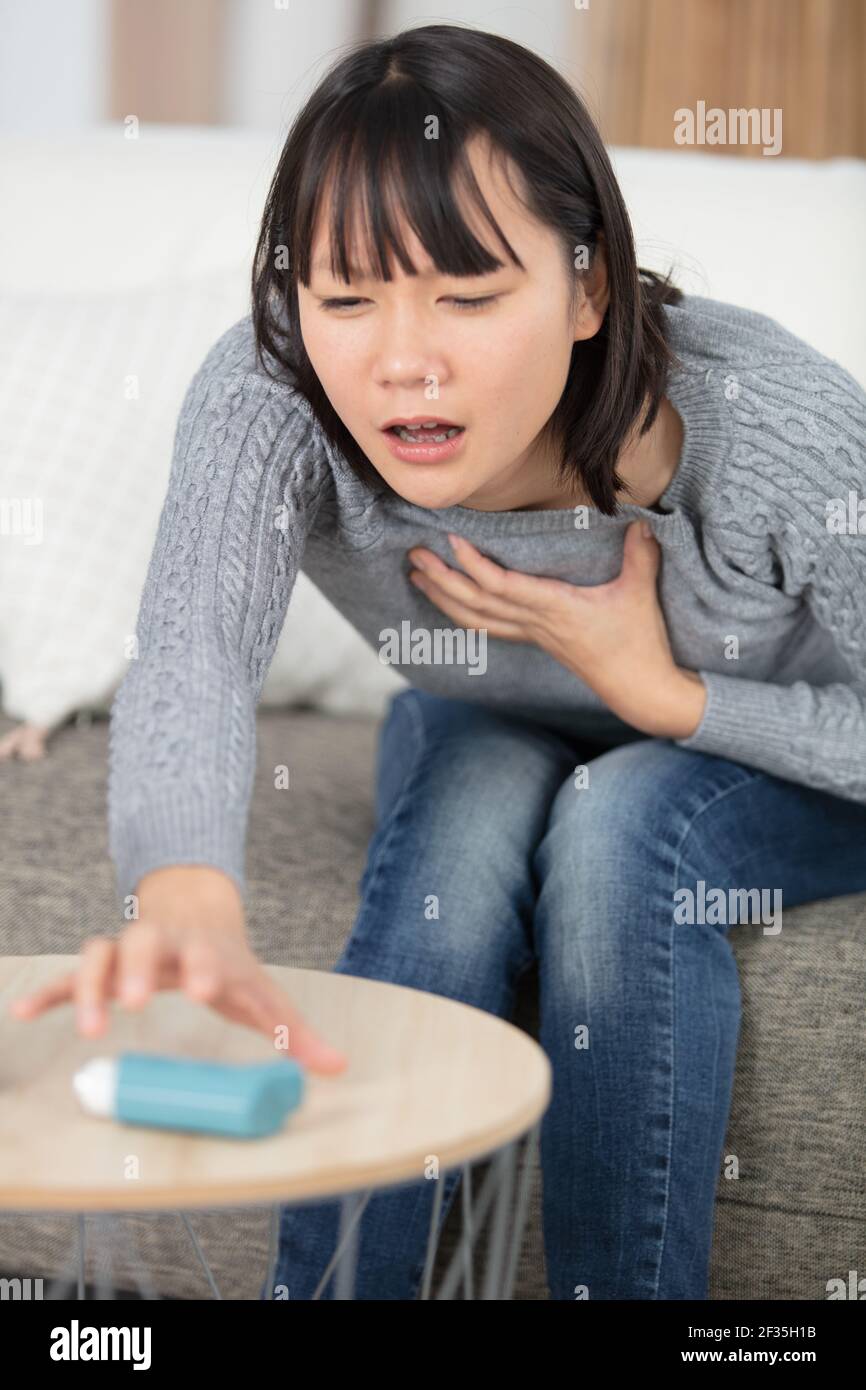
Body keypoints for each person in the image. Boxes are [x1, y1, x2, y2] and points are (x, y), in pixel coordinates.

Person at [10, 24, 866, 1300]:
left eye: (467, 296)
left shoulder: (768, 429)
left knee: (621, 820)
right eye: (347, 298)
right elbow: (191, 646)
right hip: (485, 720)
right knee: (460, 837)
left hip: (769, 756)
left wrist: (670, 696)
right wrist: (186, 894)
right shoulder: (271, 394)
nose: (401, 358)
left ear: (586, 291)